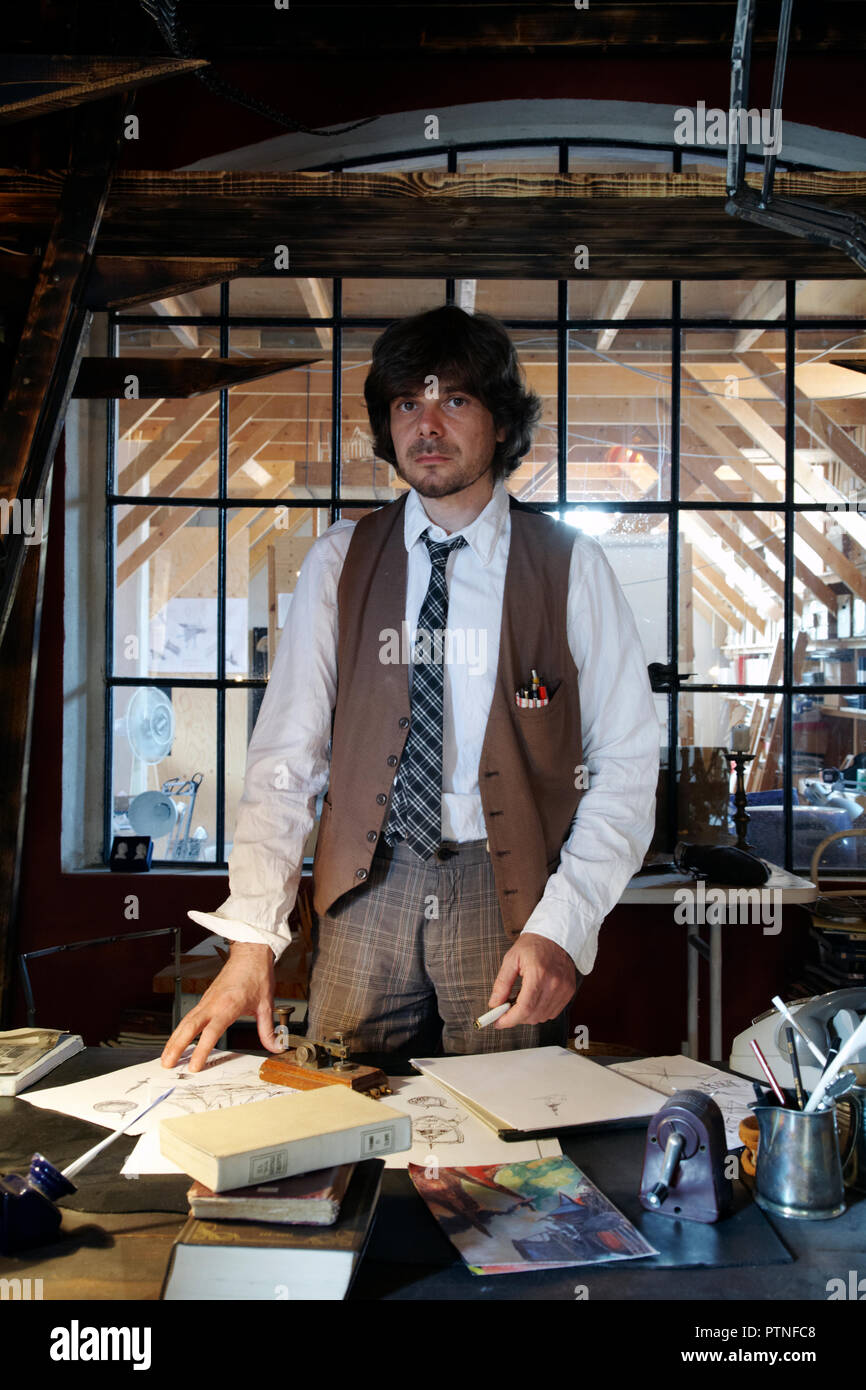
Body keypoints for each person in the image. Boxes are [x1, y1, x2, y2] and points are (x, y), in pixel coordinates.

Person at [161, 305, 659, 1075]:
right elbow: (287, 758)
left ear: (500, 422)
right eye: (406, 404)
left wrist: (563, 922)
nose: (427, 424)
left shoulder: (571, 564)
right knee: (337, 1127)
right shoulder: (338, 562)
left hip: (505, 896)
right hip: (364, 895)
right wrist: (253, 938)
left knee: (503, 1151)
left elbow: (625, 764)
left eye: (454, 400)